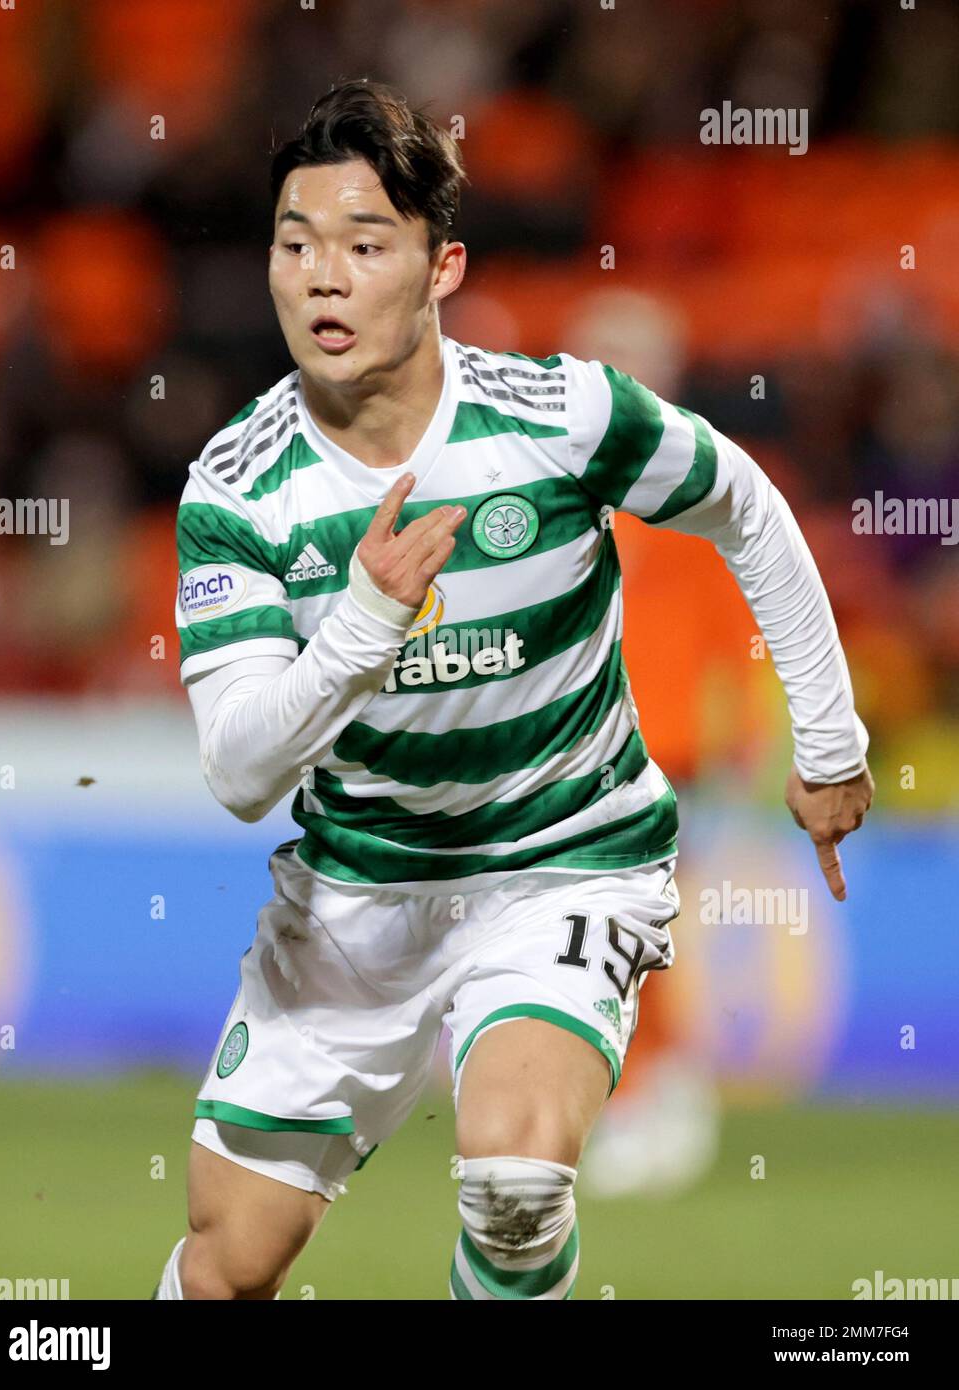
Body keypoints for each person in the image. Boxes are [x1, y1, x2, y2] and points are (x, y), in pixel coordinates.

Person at [154, 78, 874, 1301]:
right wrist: (365, 625)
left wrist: (829, 735)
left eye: (364, 245)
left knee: (516, 1185)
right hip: (357, 895)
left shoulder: (558, 418)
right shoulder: (238, 489)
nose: (321, 277)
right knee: (230, 1266)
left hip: (561, 860)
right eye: (294, 245)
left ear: (441, 269)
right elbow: (236, 772)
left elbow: (744, 503)